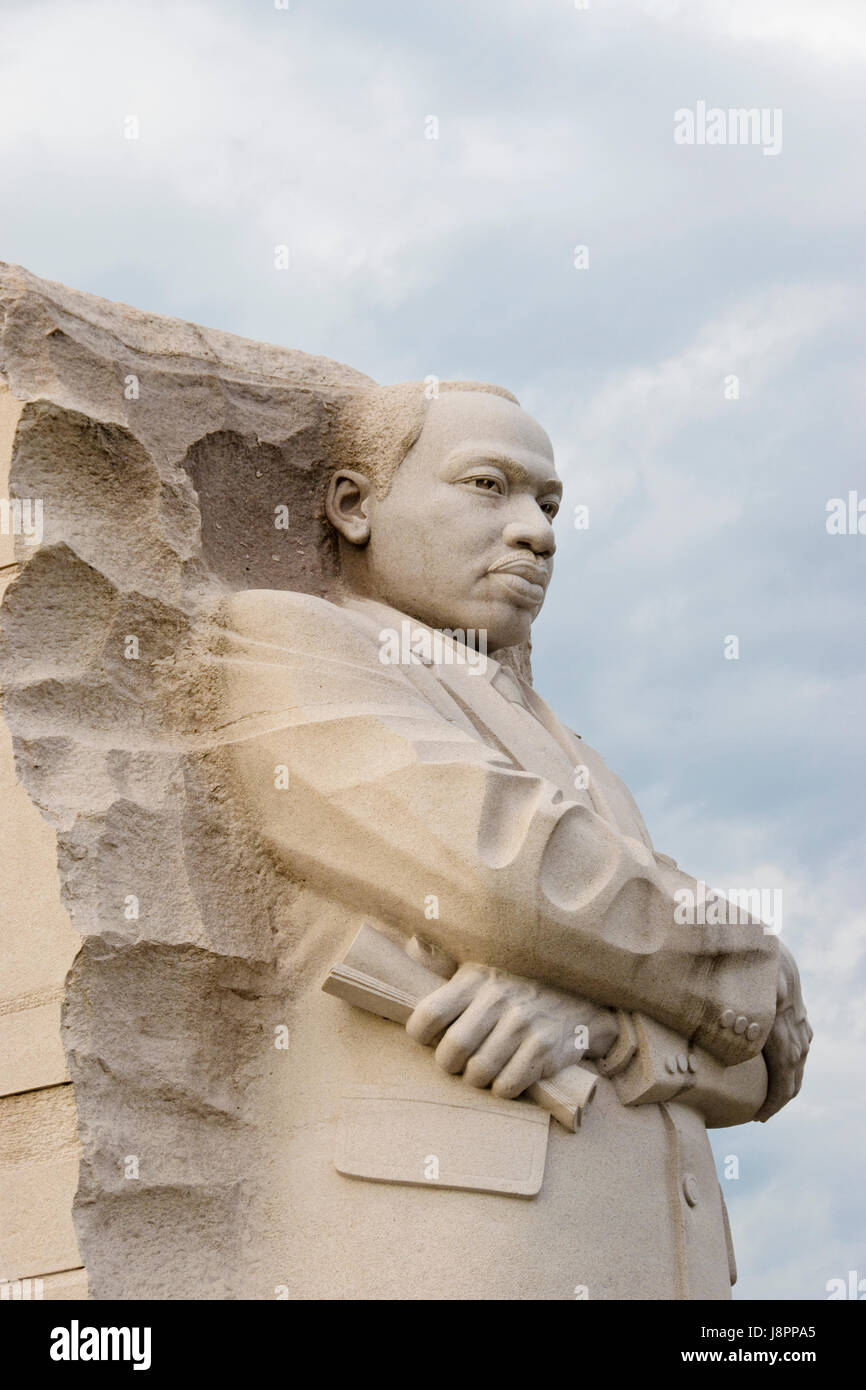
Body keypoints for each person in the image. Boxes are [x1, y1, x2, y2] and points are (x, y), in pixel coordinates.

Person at [216, 380, 811, 1299]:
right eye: (488, 486)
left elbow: (768, 1065)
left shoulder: (584, 762)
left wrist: (608, 1025)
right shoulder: (291, 643)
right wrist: (753, 965)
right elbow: (509, 879)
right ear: (354, 505)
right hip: (459, 1251)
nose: (537, 532)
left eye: (550, 503)